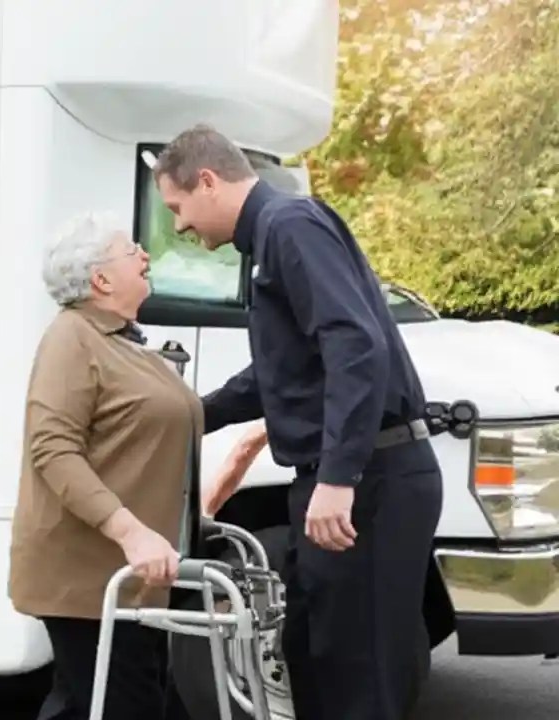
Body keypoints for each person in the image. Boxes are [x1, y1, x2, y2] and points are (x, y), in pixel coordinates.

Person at [152, 124, 443, 720]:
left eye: (178, 208)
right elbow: (280, 375)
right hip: (354, 479)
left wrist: (339, 477)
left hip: (370, 483)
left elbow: (355, 347)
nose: (181, 227)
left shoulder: (289, 228)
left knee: (356, 683)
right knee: (315, 660)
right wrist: (188, 416)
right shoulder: (276, 238)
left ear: (207, 181)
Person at [9, 211, 204, 719]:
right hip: (90, 579)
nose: (144, 255)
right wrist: (131, 532)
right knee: (125, 705)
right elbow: (52, 448)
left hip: (131, 580)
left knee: (110, 704)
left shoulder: (121, 341)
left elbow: (157, 430)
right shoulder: (71, 339)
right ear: (100, 279)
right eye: (131, 249)